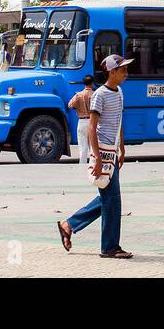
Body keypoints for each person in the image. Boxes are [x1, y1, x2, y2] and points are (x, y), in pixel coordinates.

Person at [57, 55, 133, 259]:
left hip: (113, 150)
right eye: (123, 70)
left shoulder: (120, 93)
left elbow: (118, 121)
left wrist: (122, 147)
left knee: (108, 199)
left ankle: (69, 225)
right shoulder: (100, 94)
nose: (126, 73)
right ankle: (109, 247)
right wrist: (97, 157)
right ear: (112, 71)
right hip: (102, 151)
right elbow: (92, 126)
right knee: (112, 199)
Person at [68, 76, 96, 164]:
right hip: (93, 121)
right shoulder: (95, 94)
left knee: (83, 147)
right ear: (92, 83)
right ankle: (93, 164)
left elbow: (70, 105)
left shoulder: (78, 95)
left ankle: (82, 164)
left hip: (82, 122)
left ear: (84, 83)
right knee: (93, 146)